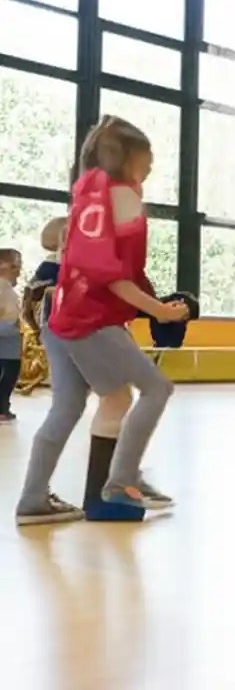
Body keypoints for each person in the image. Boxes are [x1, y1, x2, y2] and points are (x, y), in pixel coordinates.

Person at [17, 115, 187, 524]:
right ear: (128, 159)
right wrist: (160, 310)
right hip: (89, 319)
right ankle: (121, 482)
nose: (151, 167)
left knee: (76, 405)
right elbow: (111, 276)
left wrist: (147, 301)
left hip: (59, 316)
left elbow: (104, 266)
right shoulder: (122, 196)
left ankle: (33, 499)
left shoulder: (86, 198)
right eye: (147, 160)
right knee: (156, 389)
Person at [0, 248, 22, 423]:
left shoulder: (7, 287)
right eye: (14, 266)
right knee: (7, 372)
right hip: (5, 332)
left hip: (10, 334)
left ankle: (3, 407)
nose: (18, 271)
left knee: (10, 371)